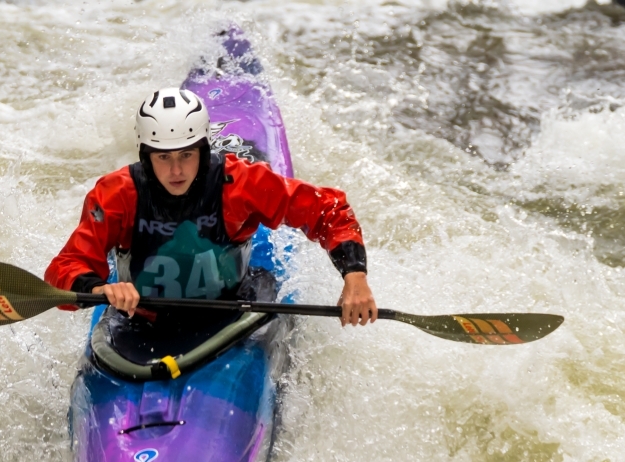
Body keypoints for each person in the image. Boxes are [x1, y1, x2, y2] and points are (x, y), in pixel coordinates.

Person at [44, 87, 377, 331]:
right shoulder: (116, 194)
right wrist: (99, 289)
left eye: (186, 155)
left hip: (230, 309)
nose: (176, 170)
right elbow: (67, 266)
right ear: (146, 156)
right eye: (164, 157)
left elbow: (328, 209)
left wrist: (355, 276)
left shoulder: (240, 182)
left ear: (203, 151)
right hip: (142, 322)